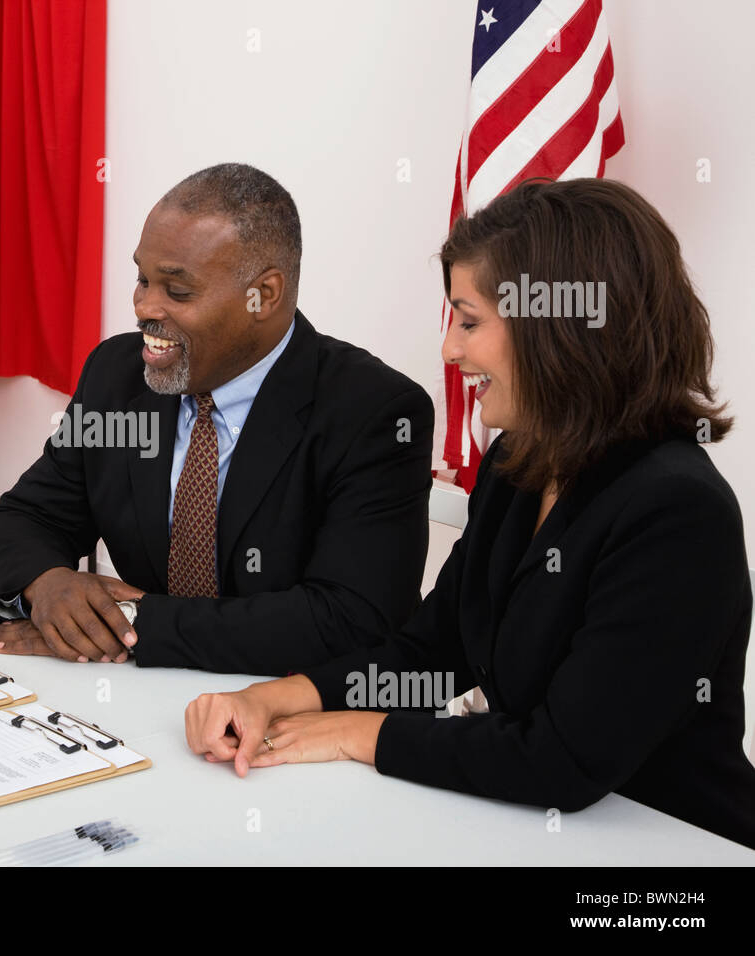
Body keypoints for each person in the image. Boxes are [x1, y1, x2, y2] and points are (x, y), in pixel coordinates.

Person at [185, 177, 755, 850]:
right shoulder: (521, 460)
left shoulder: (676, 511)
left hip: (673, 852)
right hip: (532, 832)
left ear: (563, 328)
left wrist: (357, 732)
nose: (450, 351)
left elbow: (563, 760)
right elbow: (435, 649)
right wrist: (277, 698)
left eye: (471, 320)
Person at [0, 163, 434, 673]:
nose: (144, 307)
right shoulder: (116, 375)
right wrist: (49, 583)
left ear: (263, 295)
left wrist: (131, 623)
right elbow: (28, 515)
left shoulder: (375, 411)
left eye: (178, 291)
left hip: (296, 714)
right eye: (142, 278)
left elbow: (349, 619)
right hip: (142, 699)